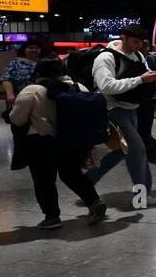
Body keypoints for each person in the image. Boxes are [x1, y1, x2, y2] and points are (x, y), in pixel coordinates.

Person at [10, 58, 106, 230]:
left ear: (38, 73)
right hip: (73, 139)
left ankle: (52, 217)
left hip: (41, 142)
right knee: (72, 174)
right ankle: (94, 201)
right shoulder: (78, 87)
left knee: (44, 180)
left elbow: (17, 119)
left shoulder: (32, 90)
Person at [86, 24, 156, 206]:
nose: (138, 45)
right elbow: (105, 86)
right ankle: (142, 197)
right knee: (137, 149)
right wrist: (140, 80)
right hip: (112, 108)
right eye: (135, 41)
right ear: (123, 38)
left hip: (131, 107)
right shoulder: (105, 57)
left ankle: (88, 180)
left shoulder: (137, 56)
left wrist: (153, 80)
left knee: (123, 150)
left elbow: (142, 79)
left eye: (141, 42)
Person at [0, 41, 42, 119]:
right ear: (24, 50)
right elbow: (6, 78)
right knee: (20, 123)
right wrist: (10, 94)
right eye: (30, 47)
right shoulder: (16, 62)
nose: (34, 50)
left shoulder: (44, 62)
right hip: (19, 99)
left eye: (37, 48)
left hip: (40, 100)